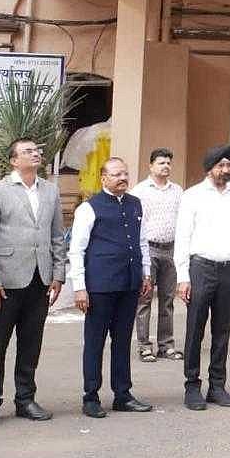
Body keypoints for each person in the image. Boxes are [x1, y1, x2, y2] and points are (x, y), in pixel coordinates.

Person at [69, 157, 153, 418]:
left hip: (128, 284)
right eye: (116, 174)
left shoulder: (135, 203)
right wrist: (79, 287)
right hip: (100, 286)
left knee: (122, 341)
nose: (122, 178)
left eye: (125, 173)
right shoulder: (89, 208)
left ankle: (123, 394)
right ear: (103, 178)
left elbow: (141, 241)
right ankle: (91, 396)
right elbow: (77, 249)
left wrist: (146, 273)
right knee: (94, 342)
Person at [0, 139, 66, 427]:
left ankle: (25, 398)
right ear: (13, 161)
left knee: (31, 342)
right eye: (28, 151)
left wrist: (58, 274)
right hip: (5, 280)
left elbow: (57, 235)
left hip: (40, 278)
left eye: (37, 151)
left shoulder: (50, 190)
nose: (35, 154)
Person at [176, 145, 230, 411]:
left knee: (222, 330)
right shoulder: (192, 196)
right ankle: (192, 386)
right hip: (201, 268)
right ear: (210, 168)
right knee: (195, 328)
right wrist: (183, 277)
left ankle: (217, 386)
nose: (226, 170)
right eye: (221, 165)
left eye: (229, 165)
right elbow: (183, 238)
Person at [130, 147, 183, 363]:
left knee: (168, 300)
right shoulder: (140, 191)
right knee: (144, 299)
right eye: (161, 163)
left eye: (169, 163)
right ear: (150, 166)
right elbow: (134, 223)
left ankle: (166, 345)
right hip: (148, 250)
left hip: (171, 249)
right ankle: (144, 345)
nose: (166, 166)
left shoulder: (177, 191)